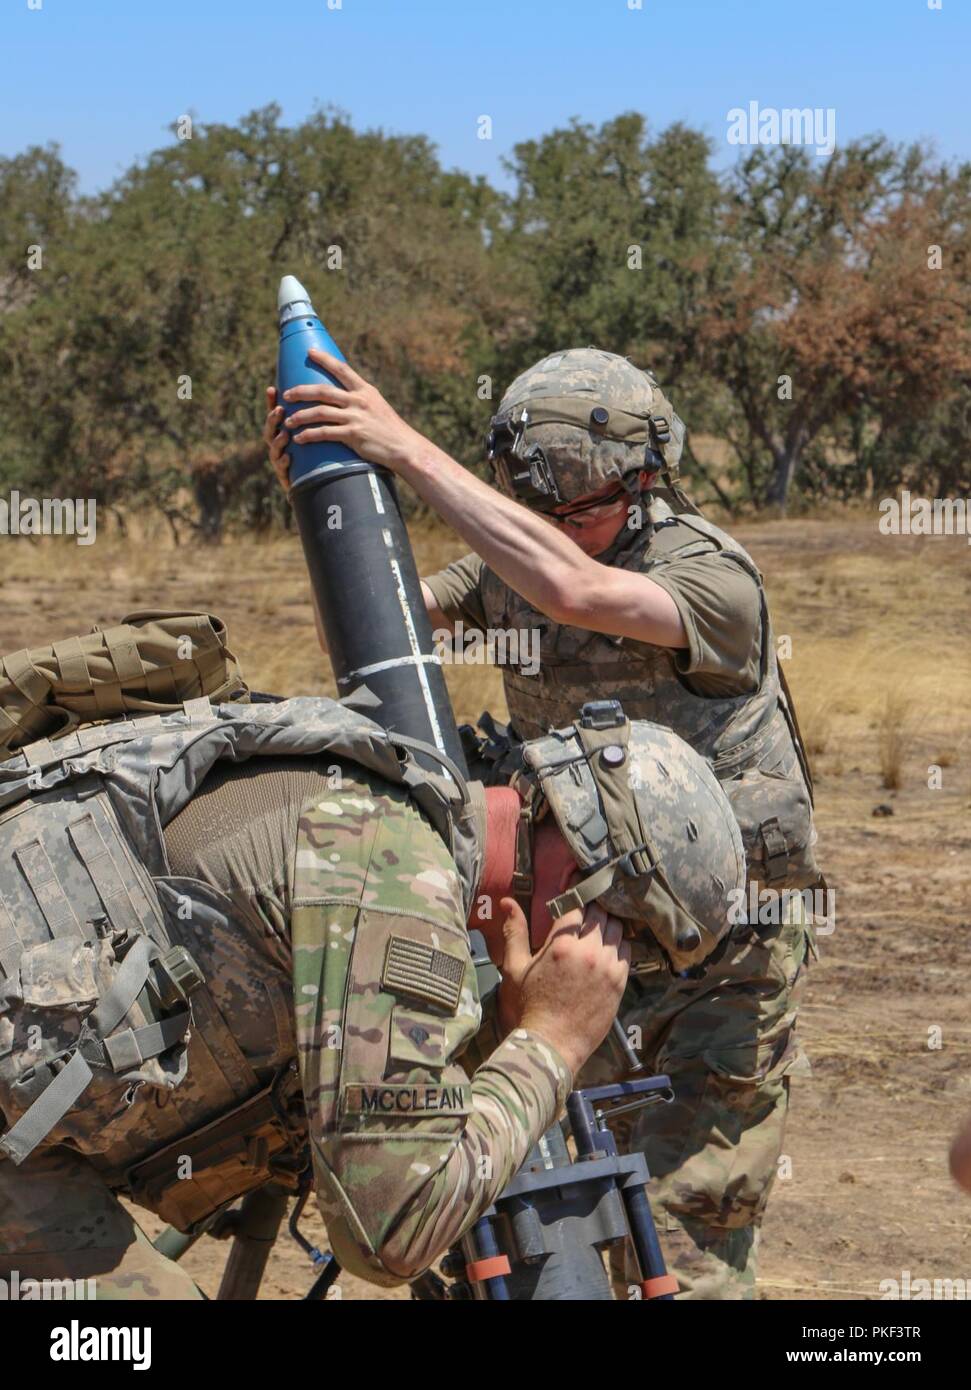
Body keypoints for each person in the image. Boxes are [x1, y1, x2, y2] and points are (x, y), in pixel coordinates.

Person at [264, 344, 822, 1299]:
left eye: (581, 509)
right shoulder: (519, 565)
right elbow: (382, 625)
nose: (559, 531)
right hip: (573, 948)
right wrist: (341, 499)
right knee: (543, 1219)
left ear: (647, 481)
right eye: (538, 512)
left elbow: (580, 593)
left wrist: (402, 448)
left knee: (684, 1245)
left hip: (716, 971)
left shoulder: (712, 578)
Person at [0, 693, 631, 1299]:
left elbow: (377, 1107)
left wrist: (503, 1034)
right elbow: (391, 1231)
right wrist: (553, 1043)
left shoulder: (386, 805)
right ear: (580, 887)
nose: (610, 976)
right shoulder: (395, 874)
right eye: (628, 947)